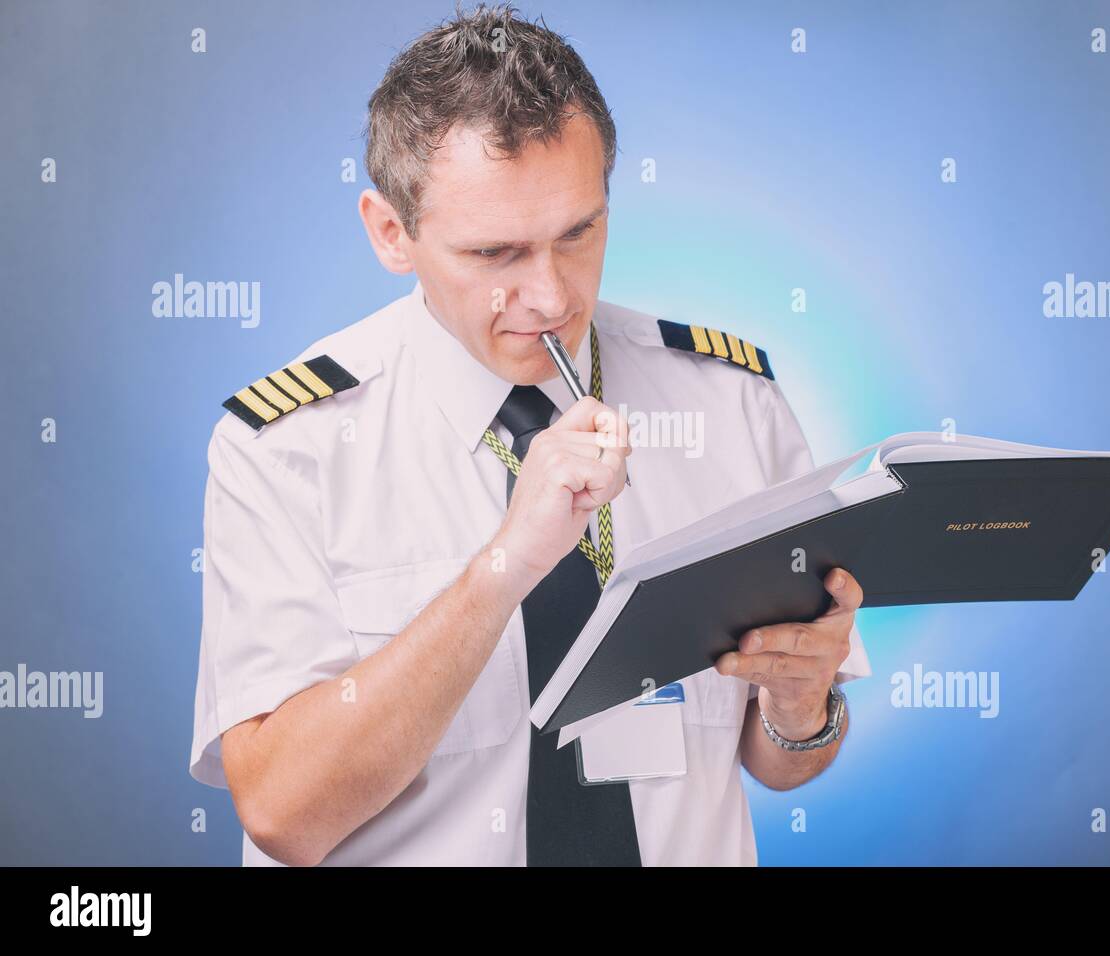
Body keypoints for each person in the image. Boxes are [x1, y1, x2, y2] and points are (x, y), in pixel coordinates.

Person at [188, 3, 871, 867]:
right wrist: (509, 563)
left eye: (578, 232)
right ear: (390, 232)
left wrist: (803, 704)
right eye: (494, 254)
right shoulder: (289, 446)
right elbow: (286, 815)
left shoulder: (732, 403)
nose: (551, 297)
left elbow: (781, 765)